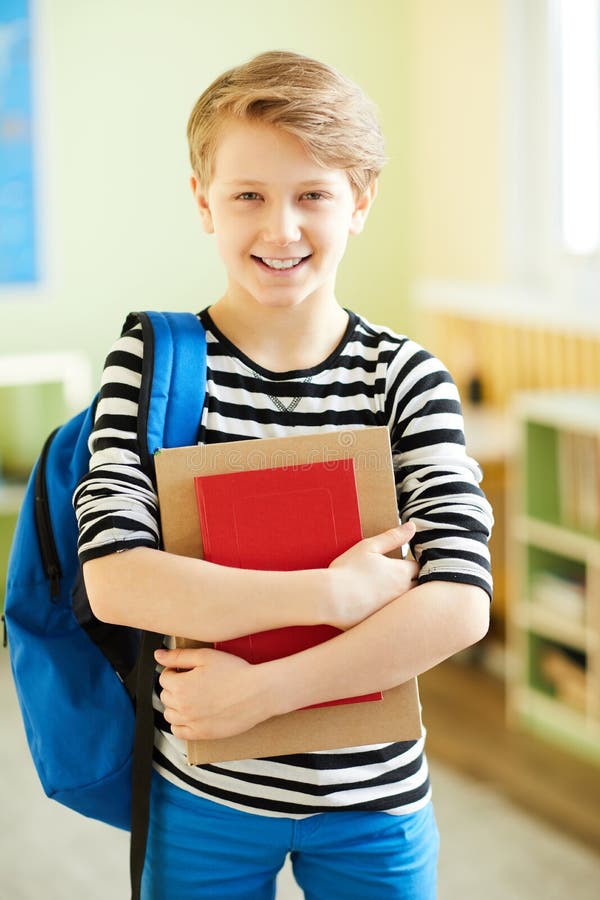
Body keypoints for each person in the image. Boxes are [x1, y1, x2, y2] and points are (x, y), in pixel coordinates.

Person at [74, 50, 493, 900]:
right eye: (248, 196)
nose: (281, 230)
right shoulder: (153, 362)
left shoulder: (406, 378)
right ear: (203, 202)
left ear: (361, 201)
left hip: (375, 805)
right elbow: (115, 580)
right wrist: (328, 597)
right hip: (203, 797)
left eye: (313, 195)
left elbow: (459, 602)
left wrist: (264, 693)